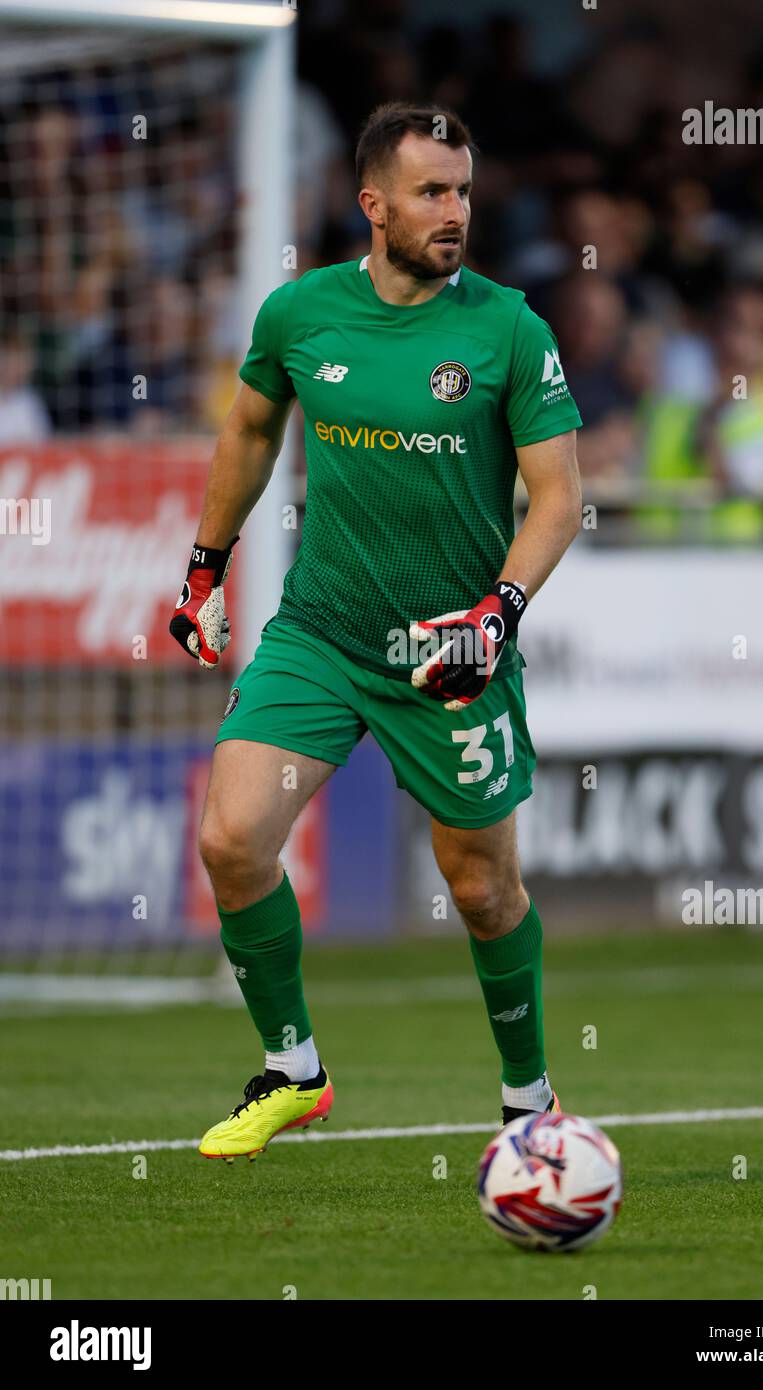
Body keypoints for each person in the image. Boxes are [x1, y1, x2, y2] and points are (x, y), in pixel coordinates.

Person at [169, 102, 583, 1162]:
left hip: (452, 649)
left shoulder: (505, 328)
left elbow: (555, 500)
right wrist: (204, 568)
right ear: (373, 205)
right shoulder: (300, 314)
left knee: (482, 888)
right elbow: (251, 428)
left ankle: (528, 1098)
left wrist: (499, 613)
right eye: (431, 192)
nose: (455, 211)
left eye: (463, 191)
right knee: (229, 838)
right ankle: (293, 1068)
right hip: (323, 631)